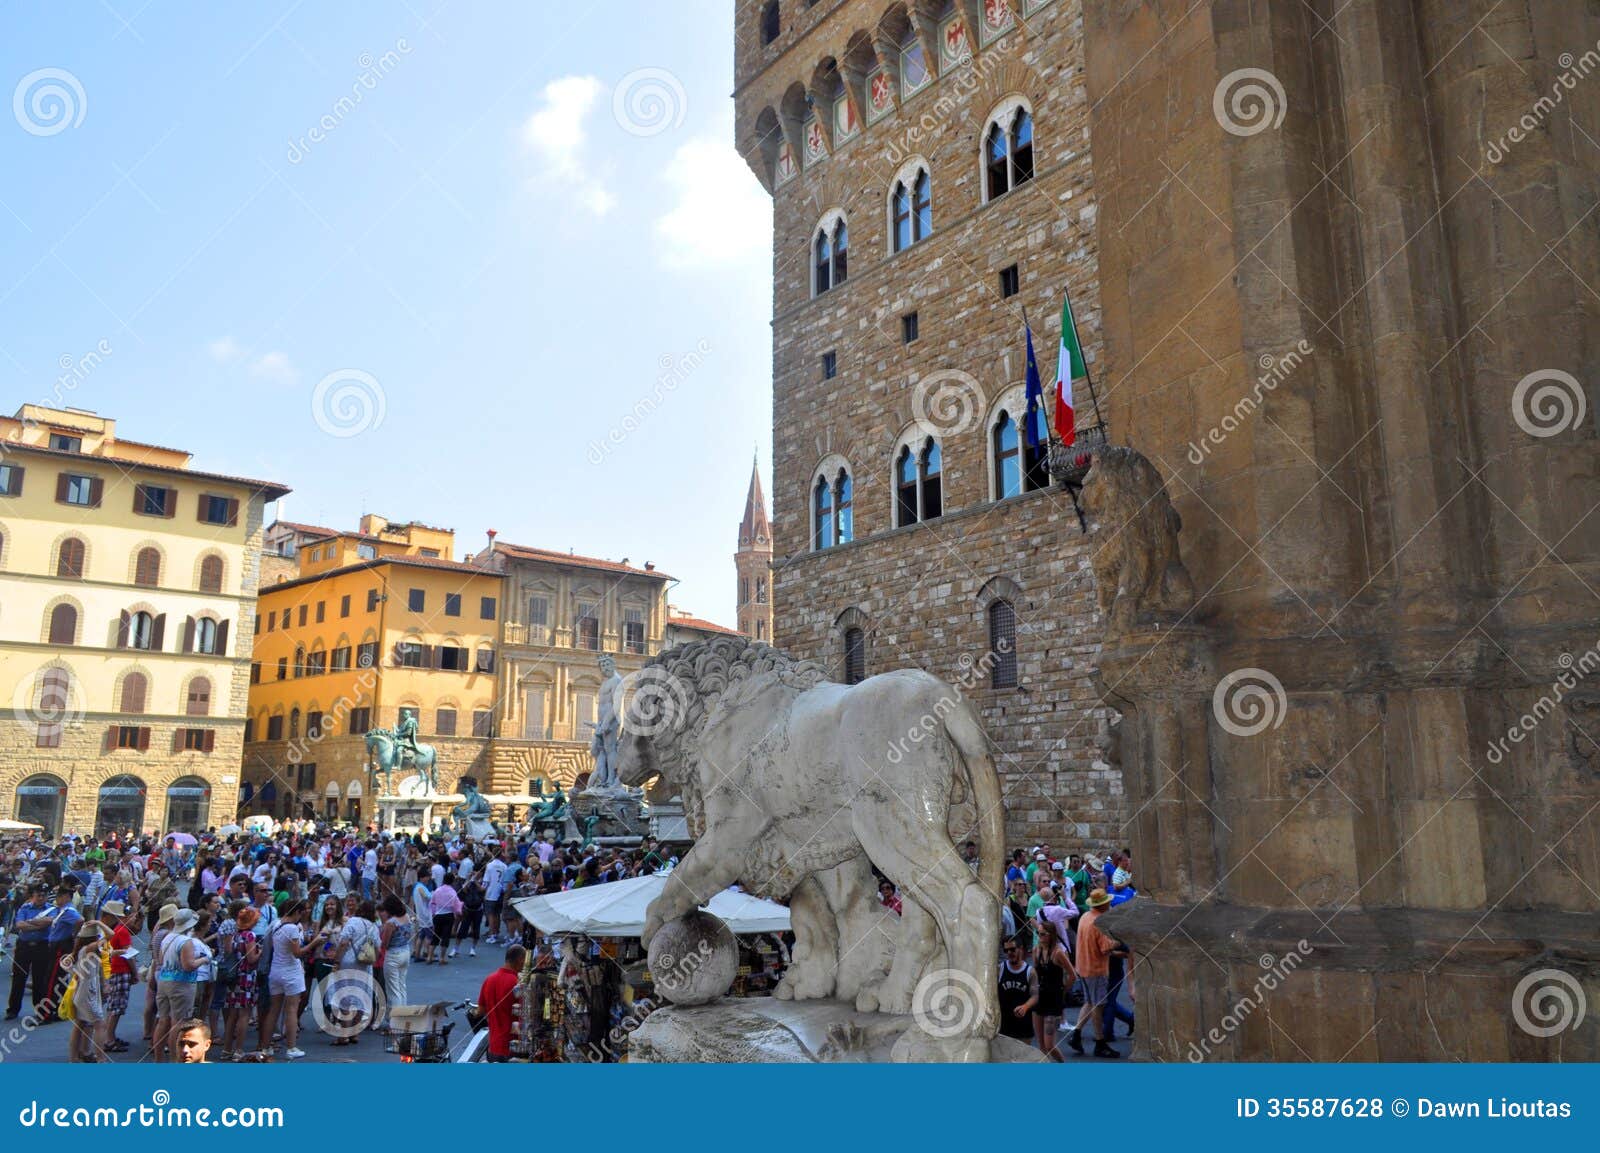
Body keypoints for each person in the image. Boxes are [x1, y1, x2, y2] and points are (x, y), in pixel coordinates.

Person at [1064, 889, 1124, 1059]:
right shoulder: (1099, 922)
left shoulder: (1085, 916)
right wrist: (1120, 940)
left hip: (1083, 966)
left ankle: (1076, 1034)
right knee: (1098, 1005)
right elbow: (1105, 947)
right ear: (1104, 904)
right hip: (1095, 969)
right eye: (1108, 903)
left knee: (1090, 1002)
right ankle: (1100, 1042)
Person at [261, 901, 324, 1060]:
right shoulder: (292, 928)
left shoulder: (276, 925)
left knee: (273, 1010)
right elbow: (297, 953)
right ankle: (291, 1047)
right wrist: (314, 942)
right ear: (297, 912)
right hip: (290, 972)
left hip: (275, 971)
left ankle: (265, 1046)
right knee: (291, 1010)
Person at [154, 909, 208, 1062]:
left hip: (164, 980)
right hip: (181, 983)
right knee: (179, 1023)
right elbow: (189, 965)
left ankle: (158, 1059)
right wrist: (204, 959)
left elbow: (160, 959)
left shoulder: (167, 937)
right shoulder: (185, 941)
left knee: (163, 1020)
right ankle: (175, 1059)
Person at [6, 881, 55, 1021]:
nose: (41, 898)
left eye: (44, 895)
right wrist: (39, 924)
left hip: (42, 946)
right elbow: (20, 925)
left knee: (40, 979)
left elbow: (49, 921)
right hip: (24, 946)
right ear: (33, 895)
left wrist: (30, 923)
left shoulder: (51, 908)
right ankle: (13, 1009)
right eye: (38, 895)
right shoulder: (25, 907)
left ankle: (40, 1010)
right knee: (18, 977)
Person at [1031, 917, 1076, 1060]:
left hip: (1053, 1001)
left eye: (1043, 934)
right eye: (1038, 933)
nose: (1040, 937)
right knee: (1041, 1046)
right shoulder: (1036, 951)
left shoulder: (1058, 953)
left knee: (1049, 1045)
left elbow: (1073, 975)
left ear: (1051, 935)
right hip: (1039, 998)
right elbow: (1036, 974)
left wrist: (1063, 990)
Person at [221, 906, 261, 1062]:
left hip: (234, 976)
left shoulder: (235, 935)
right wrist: (260, 952)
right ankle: (239, 1050)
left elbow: (229, 952)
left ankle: (226, 1049)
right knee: (244, 1014)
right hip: (247, 976)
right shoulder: (250, 935)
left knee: (232, 1013)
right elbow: (251, 959)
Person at [476, 944, 524, 1062]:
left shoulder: (489, 979)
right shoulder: (517, 983)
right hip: (512, 1046)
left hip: (493, 1045)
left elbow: (480, 1011)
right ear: (520, 960)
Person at [98, 899, 134, 1052]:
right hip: (121, 970)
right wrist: (135, 973)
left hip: (113, 970)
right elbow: (129, 954)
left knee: (113, 1006)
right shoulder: (122, 931)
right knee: (117, 1007)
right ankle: (109, 1039)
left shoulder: (114, 930)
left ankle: (109, 1035)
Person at [66, 922, 105, 1063]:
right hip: (87, 992)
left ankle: (73, 1058)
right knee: (99, 1025)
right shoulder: (89, 948)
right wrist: (99, 923)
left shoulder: (79, 950)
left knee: (79, 1024)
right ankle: (101, 1059)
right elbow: (110, 936)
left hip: (81, 989)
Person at [376, 895, 413, 1036]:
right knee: (402, 987)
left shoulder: (391, 923)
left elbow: (384, 943)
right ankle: (403, 1019)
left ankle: (395, 1024)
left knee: (393, 990)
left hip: (393, 955)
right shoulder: (407, 917)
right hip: (405, 951)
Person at [997, 936, 1038, 1041]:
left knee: (1023, 1057)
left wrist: (1025, 1007)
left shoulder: (1030, 972)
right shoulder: (1000, 969)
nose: (1009, 953)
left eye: (1013, 949)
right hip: (1003, 1027)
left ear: (1021, 949)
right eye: (1006, 950)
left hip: (1023, 1026)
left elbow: (1035, 996)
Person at [429, 877, 462, 965]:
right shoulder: (452, 892)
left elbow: (432, 902)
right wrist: (459, 911)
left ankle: (429, 956)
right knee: (445, 937)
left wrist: (433, 913)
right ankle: (442, 958)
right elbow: (456, 905)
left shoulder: (437, 890)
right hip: (448, 915)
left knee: (435, 935)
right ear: (452, 882)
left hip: (438, 914)